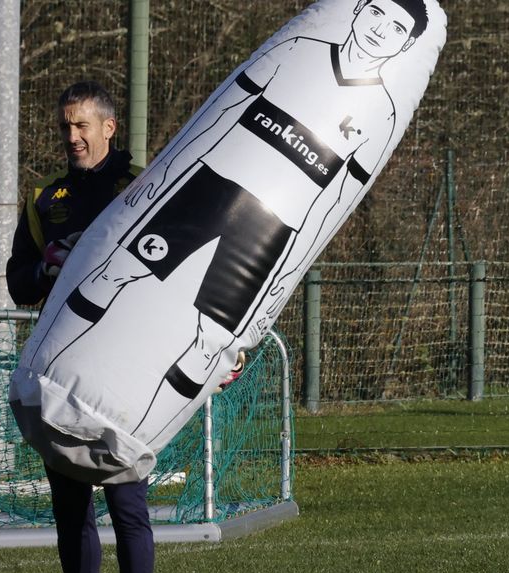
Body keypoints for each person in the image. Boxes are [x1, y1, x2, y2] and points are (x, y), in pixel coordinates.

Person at [26, 0, 428, 449]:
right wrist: (165, 181)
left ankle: (134, 442)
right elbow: (218, 117)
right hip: (208, 188)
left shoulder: (380, 112)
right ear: (358, 12)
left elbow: (333, 202)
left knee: (204, 345)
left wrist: (286, 272)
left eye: (397, 28)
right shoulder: (299, 50)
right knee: (116, 274)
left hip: (268, 229)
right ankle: (48, 382)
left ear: (406, 45)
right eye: (377, 13)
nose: (381, 30)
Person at [5, 81, 152, 573]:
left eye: (82, 125)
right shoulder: (46, 198)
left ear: (109, 128)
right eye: (66, 126)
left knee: (128, 506)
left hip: (128, 371)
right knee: (71, 511)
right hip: (63, 374)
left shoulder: (145, 183)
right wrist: (46, 268)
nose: (72, 136)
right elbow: (17, 282)